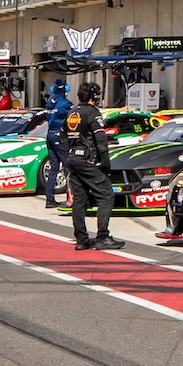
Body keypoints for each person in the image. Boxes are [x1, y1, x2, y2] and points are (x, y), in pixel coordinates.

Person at [62, 83, 124, 251]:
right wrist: (105, 161)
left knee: (79, 199)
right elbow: (100, 138)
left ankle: (81, 239)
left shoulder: (72, 112)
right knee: (106, 194)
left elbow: (63, 137)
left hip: (72, 158)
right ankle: (102, 236)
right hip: (86, 160)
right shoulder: (92, 112)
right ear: (94, 97)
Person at [43, 80, 74, 208]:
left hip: (49, 135)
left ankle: (49, 199)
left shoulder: (50, 103)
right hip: (59, 136)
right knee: (69, 167)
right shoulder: (65, 104)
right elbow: (73, 117)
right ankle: (71, 198)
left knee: (53, 168)